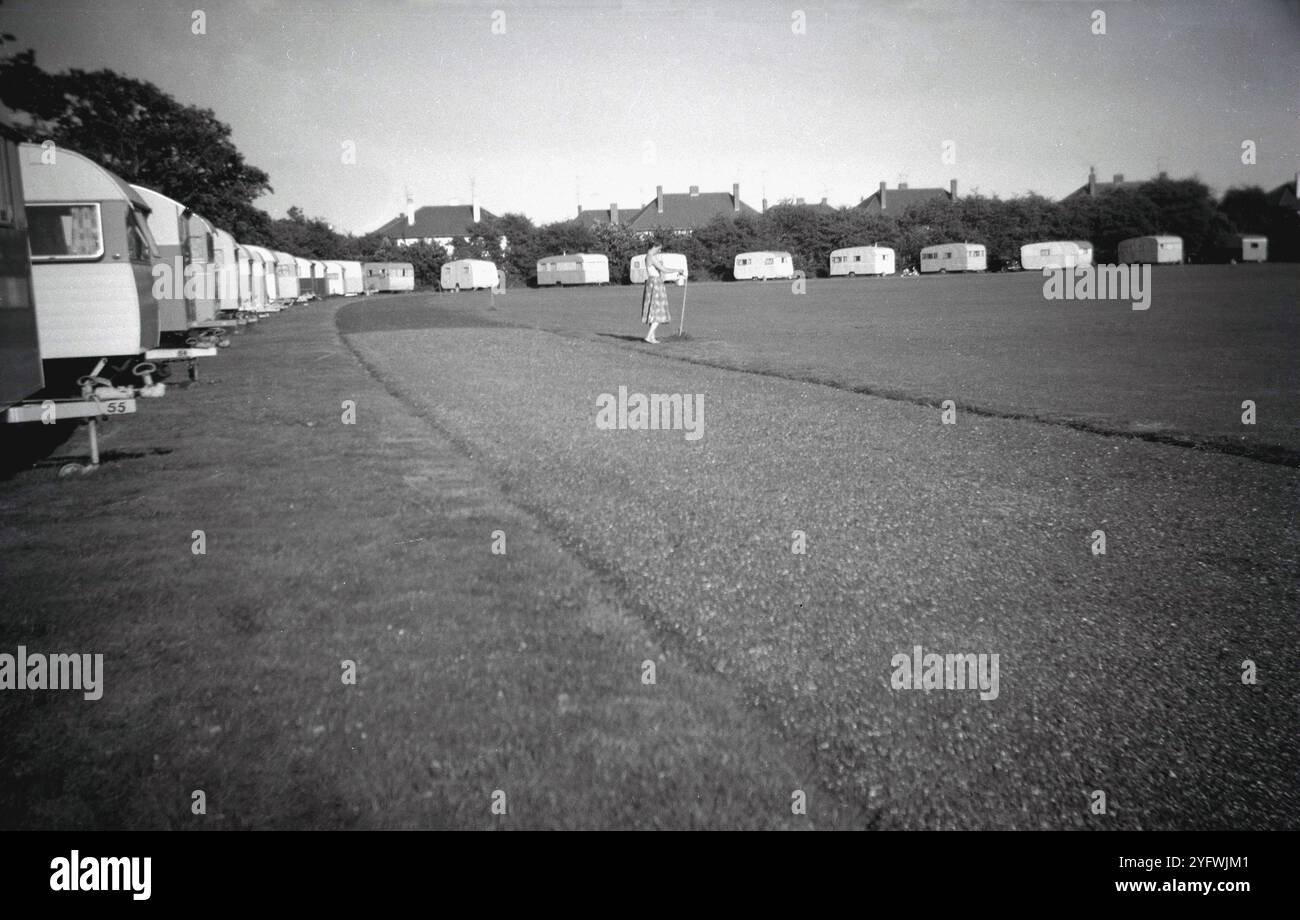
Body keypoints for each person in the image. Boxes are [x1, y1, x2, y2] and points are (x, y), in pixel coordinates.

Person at [640, 244, 672, 343]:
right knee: (658, 312)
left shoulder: (648, 256)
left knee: (653, 311)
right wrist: (678, 270)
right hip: (655, 283)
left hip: (652, 282)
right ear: (654, 246)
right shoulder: (651, 256)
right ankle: (649, 336)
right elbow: (663, 269)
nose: (660, 250)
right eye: (659, 248)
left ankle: (652, 337)